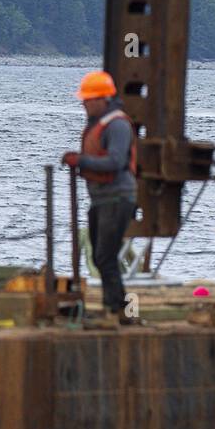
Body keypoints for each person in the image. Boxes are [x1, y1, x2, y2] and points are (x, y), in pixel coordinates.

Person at [61, 70, 138, 323]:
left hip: (117, 198)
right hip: (101, 199)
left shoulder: (117, 124)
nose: (84, 104)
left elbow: (116, 161)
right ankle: (119, 310)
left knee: (105, 255)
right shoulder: (98, 123)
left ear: (102, 99)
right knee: (99, 256)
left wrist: (80, 160)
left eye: (88, 99)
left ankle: (114, 311)